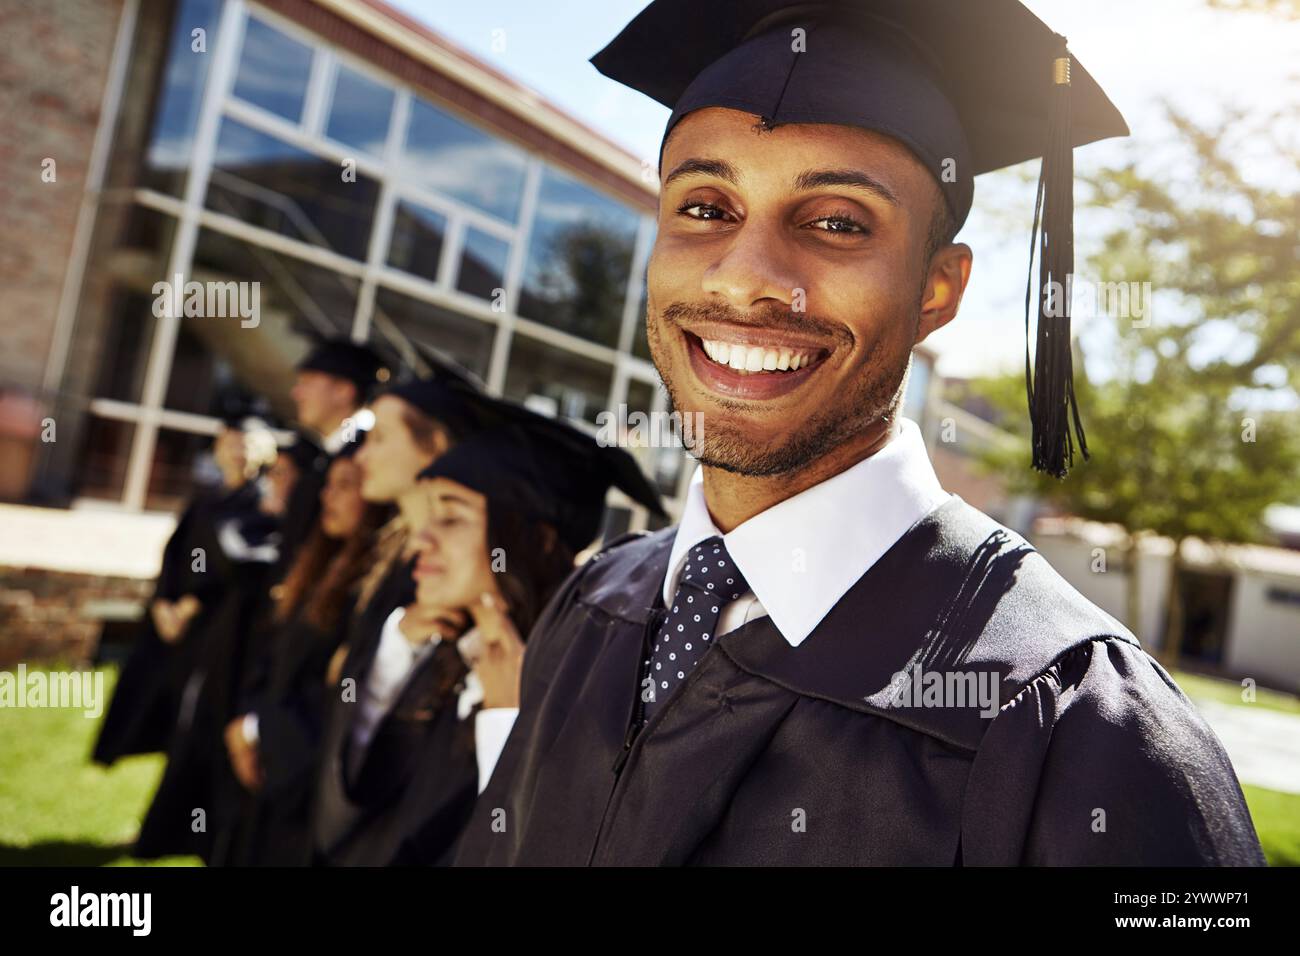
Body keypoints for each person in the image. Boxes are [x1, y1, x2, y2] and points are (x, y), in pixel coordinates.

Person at [453, 0, 1265, 866]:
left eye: (837, 222)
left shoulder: (1082, 730)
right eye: (705, 207)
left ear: (937, 292)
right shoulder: (593, 610)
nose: (746, 279)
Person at [311, 411, 666, 866]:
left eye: (452, 518)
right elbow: (344, 817)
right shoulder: (452, 656)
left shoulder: (586, 695)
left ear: (534, 540)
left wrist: (509, 723)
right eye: (428, 515)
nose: (421, 540)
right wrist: (396, 654)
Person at [214, 442, 389, 866]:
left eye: (346, 487)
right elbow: (271, 659)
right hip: (266, 760)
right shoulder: (316, 568)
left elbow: (325, 700)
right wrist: (245, 723)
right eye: (328, 485)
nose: (327, 496)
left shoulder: (368, 594)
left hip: (300, 781)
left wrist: (254, 730)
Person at [93, 419, 270, 766]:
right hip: (173, 619)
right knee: (154, 692)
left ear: (262, 452)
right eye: (230, 443)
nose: (236, 452)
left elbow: (241, 567)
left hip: (215, 624)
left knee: (195, 708)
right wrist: (162, 601)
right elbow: (175, 552)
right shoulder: (207, 498)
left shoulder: (258, 503)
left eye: (244, 444)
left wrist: (192, 605)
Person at [278, 337, 389, 574]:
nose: (297, 393)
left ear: (343, 391)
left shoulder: (362, 461)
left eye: (307, 383)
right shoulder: (322, 456)